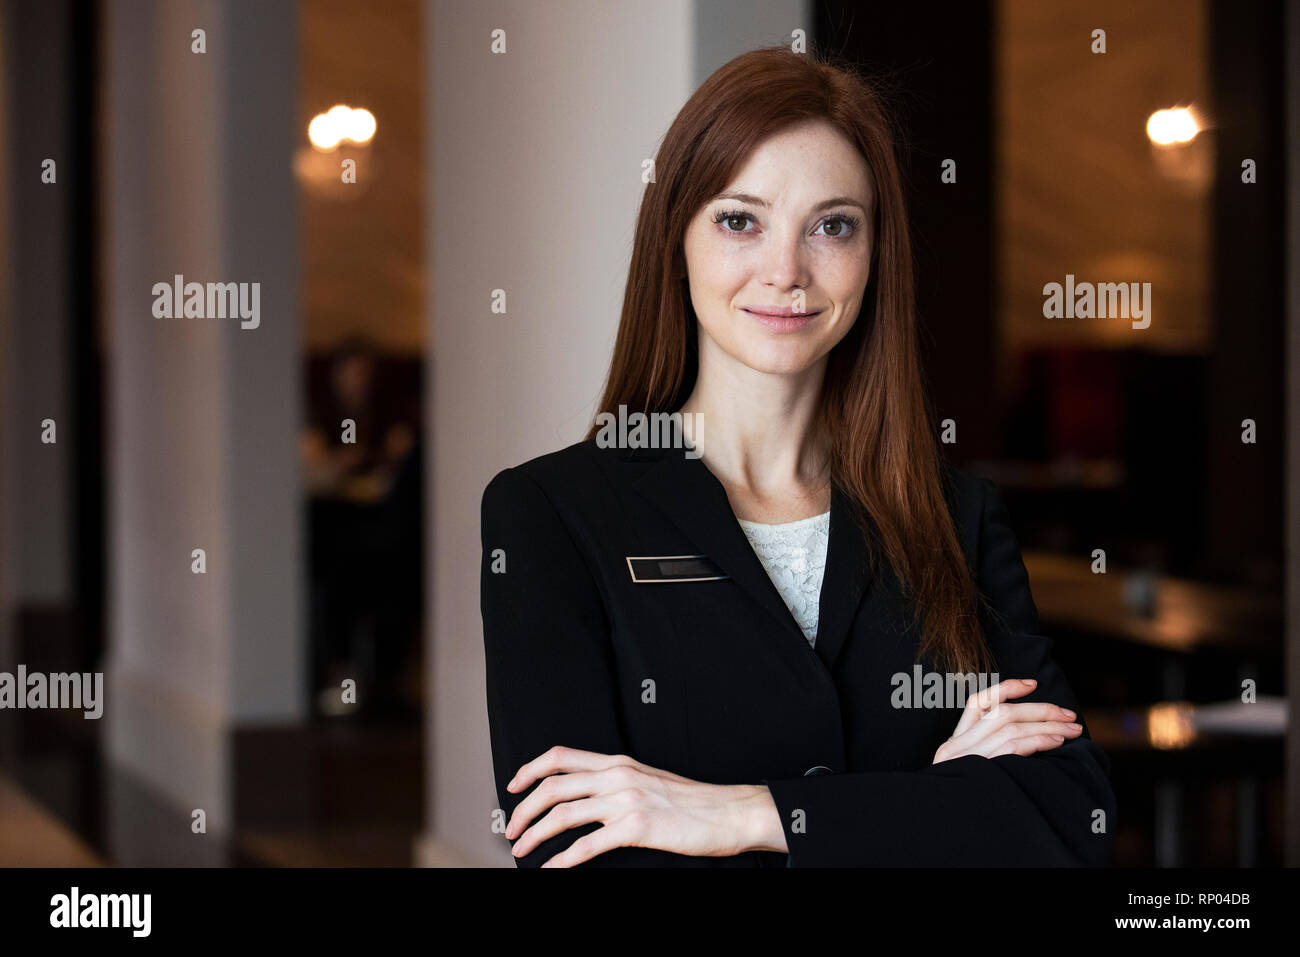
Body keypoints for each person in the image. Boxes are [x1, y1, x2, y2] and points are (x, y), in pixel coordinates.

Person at [480, 46, 1115, 866]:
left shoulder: (959, 517)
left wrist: (740, 814)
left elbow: (1069, 820)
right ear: (675, 236)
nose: (786, 271)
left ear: (874, 253)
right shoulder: (549, 516)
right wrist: (934, 801)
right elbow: (574, 849)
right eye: (740, 219)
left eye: (832, 225)